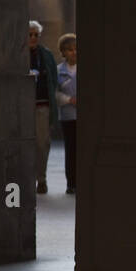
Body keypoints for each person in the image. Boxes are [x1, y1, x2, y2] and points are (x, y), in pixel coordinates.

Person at [28, 20, 58, 195]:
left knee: (42, 143)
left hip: (42, 104)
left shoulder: (46, 55)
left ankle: (41, 179)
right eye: (30, 35)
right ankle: (25, 178)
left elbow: (53, 79)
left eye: (36, 35)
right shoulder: (17, 54)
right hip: (22, 106)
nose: (33, 38)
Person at [57, 32, 77, 195]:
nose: (74, 52)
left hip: (85, 117)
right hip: (68, 116)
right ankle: (71, 183)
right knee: (70, 150)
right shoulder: (58, 71)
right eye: (70, 49)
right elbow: (55, 93)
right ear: (63, 52)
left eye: (76, 49)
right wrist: (69, 100)